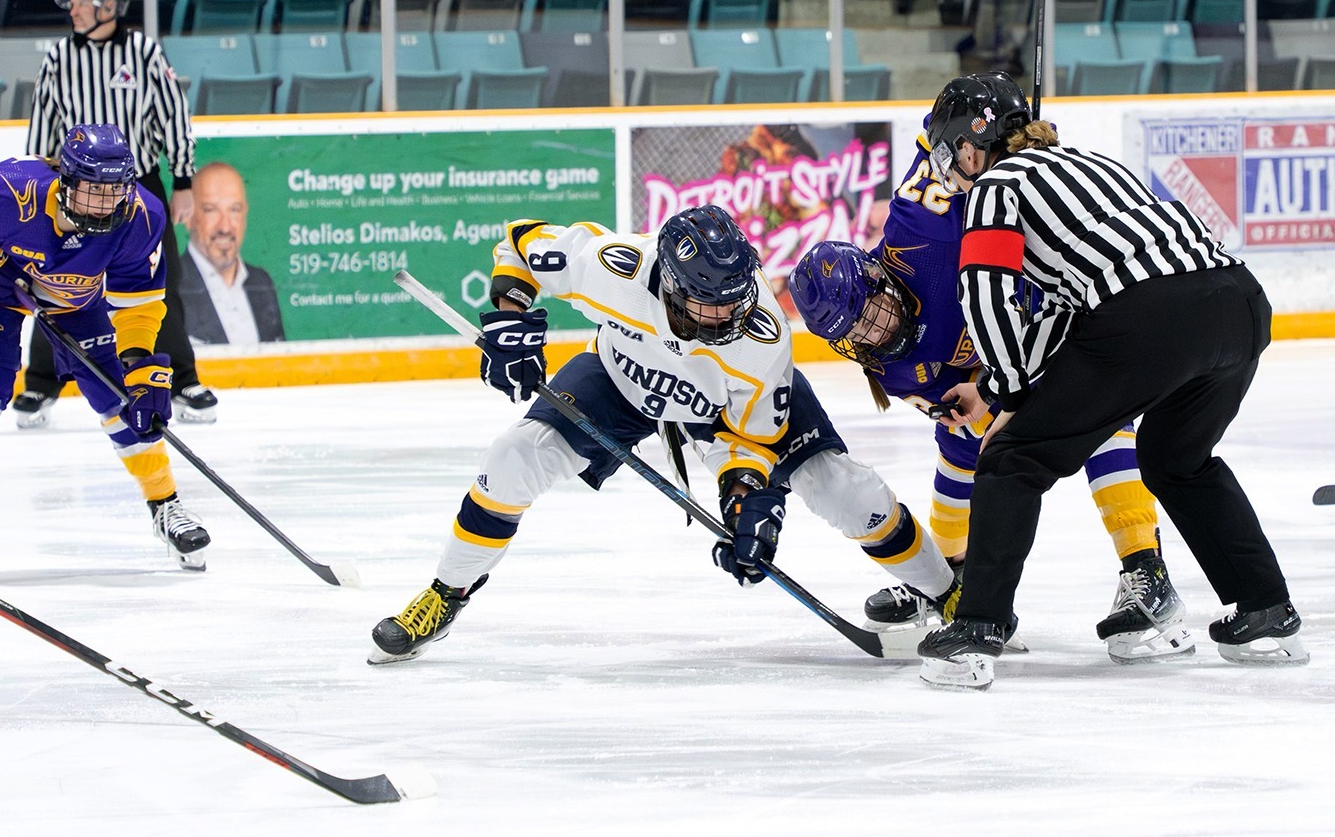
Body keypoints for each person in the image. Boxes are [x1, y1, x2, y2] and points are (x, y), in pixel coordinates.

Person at [366, 205, 957, 665]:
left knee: (849, 493)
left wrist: (748, 504)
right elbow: (521, 242)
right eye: (709, 307)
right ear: (670, 285)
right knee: (513, 458)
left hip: (719, 407)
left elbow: (747, 439)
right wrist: (510, 315)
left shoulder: (759, 337)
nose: (729, 316)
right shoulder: (614, 268)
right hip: (623, 378)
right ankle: (445, 594)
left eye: (735, 300)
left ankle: (948, 593)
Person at [905, 73, 1305, 691]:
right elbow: (1075, 312)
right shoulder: (1091, 164)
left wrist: (1009, 401)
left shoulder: (995, 187)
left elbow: (987, 297)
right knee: (1178, 460)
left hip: (1151, 317)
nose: (948, 169)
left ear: (968, 144)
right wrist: (992, 387)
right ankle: (1266, 611)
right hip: (1239, 305)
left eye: (948, 151)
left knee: (1011, 461)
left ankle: (977, 628)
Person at [789, 109, 1192, 665]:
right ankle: (947, 585)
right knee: (963, 450)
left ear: (879, 273)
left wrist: (1003, 129)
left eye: (872, 311)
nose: (874, 331)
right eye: (855, 332)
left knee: (1103, 425)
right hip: (998, 370)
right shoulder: (887, 366)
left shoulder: (915, 230)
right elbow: (976, 419)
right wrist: (994, 400)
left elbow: (944, 139)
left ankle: (1147, 570)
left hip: (1053, 324)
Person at [0, 126, 211, 574]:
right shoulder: (9, 190)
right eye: (93, 190)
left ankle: (165, 504)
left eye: (114, 191)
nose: (105, 203)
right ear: (66, 182)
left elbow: (140, 304)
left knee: (123, 397)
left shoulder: (141, 217)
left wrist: (138, 365)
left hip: (75, 301)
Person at [16, 0, 218, 429]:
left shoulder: (143, 52)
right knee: (56, 281)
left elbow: (173, 115)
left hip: (139, 189)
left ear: (109, 5)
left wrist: (183, 180)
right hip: (71, 192)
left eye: (83, 0)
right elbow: (43, 123)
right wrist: (36, 181)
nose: (74, 7)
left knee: (158, 285)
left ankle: (181, 378)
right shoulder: (59, 58)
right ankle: (41, 381)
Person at [179, 161, 284, 344]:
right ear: (189, 217)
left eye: (234, 210)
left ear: (245, 215)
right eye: (210, 210)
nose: (225, 227)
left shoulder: (261, 282)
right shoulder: (170, 285)